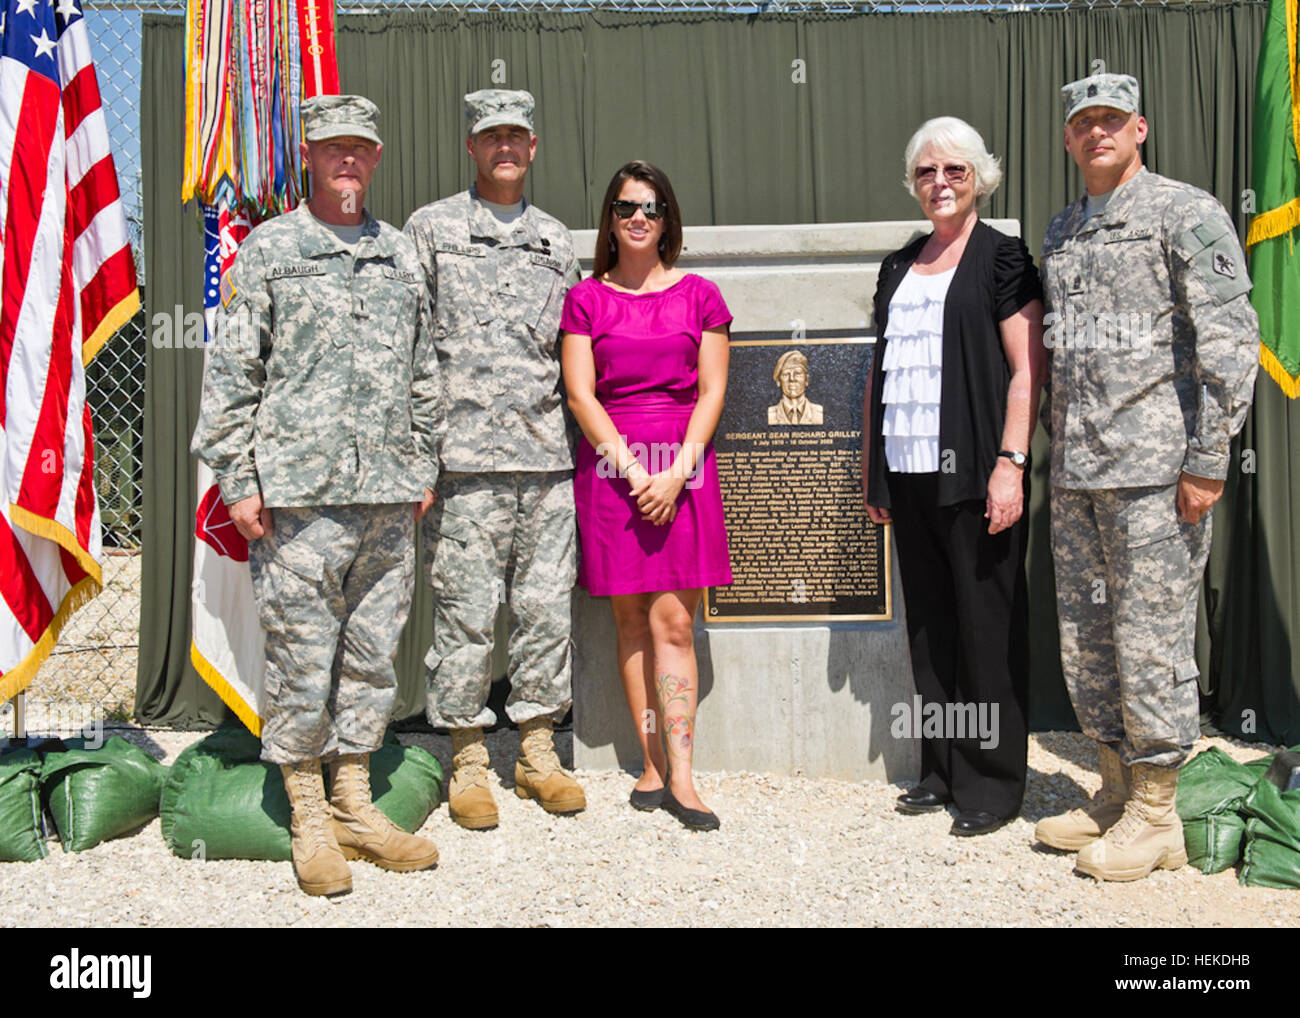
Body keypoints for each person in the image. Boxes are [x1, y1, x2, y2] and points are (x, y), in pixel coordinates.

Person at [192, 95, 442, 896]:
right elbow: (233, 371)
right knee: (303, 659)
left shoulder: (402, 255)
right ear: (309, 156)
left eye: (359, 149)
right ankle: (308, 812)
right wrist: (239, 480)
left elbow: (425, 371)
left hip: (387, 498)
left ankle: (355, 803)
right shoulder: (270, 250)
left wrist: (425, 465)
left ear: (376, 158)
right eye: (332, 148)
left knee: (371, 659)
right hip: (296, 498)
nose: (346, 161)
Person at [1035, 73, 1259, 880]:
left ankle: (1159, 815)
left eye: (1111, 120)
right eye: (1082, 122)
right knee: (1089, 640)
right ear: (1068, 138)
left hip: (1158, 472)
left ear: (1141, 129)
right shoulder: (1063, 230)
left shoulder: (1186, 212)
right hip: (1079, 472)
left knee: (1152, 638)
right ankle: (1114, 787)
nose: (1097, 132)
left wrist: (1207, 460)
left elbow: (1231, 339)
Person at [404, 89, 584, 830]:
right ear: (472, 147)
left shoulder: (555, 240)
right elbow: (410, 348)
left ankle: (537, 750)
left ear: (533, 147)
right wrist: (418, 457)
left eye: (516, 135)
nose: (504, 147)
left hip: (545, 462)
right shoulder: (432, 230)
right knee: (467, 616)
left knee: (545, 612)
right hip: (462, 468)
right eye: (491, 136)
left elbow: (573, 352)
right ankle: (469, 757)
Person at [862, 117, 1045, 837]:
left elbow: (1028, 370)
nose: (939, 183)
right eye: (927, 173)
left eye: (954, 171)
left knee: (985, 631)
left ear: (979, 178)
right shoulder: (897, 264)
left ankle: (992, 785)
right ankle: (939, 770)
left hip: (976, 475)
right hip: (908, 473)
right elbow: (881, 374)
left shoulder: (1003, 258)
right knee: (932, 632)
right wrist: (874, 476)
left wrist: (1012, 463)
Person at [560, 161, 732, 831]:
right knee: (629, 624)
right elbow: (581, 392)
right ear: (610, 218)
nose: (639, 217)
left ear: (668, 220)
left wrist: (676, 472)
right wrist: (634, 473)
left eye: (652, 207)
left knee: (673, 624)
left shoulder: (700, 295)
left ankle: (684, 775)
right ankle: (651, 761)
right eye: (627, 206)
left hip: (682, 471)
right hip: (614, 474)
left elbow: (712, 390)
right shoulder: (586, 300)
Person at [767, 350, 824, 425]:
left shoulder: (818, 413)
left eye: (798, 374)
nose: (792, 379)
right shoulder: (771, 415)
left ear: (806, 380)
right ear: (778, 381)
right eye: (786, 374)